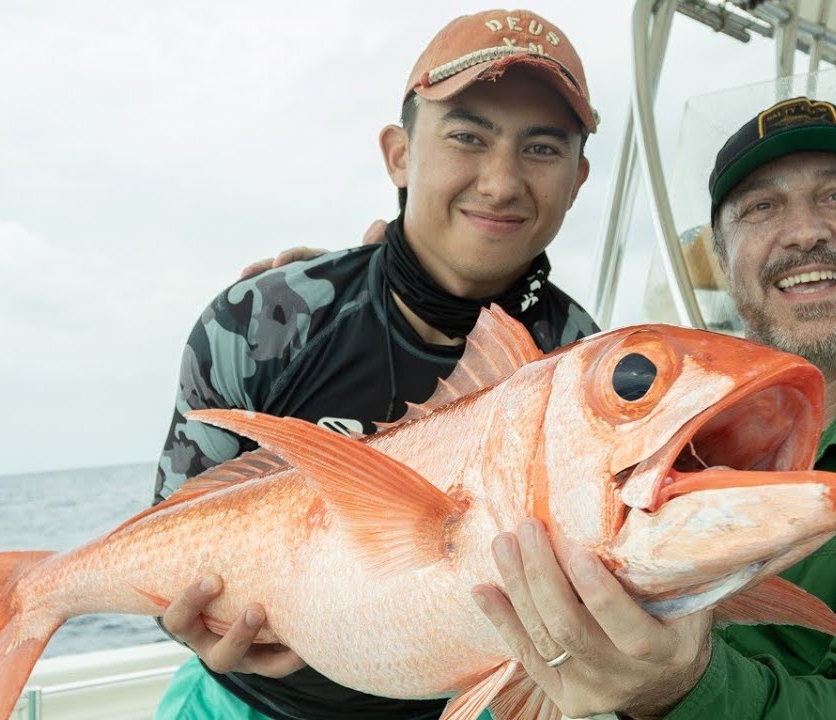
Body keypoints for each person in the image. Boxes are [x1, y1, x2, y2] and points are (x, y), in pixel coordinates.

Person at [472, 97, 836, 719]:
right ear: (724, 258)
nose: (805, 231)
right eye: (761, 207)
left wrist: (681, 689)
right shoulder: (654, 436)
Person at [150, 9, 599, 720]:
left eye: (541, 149)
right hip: (241, 705)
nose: (502, 181)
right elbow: (168, 534)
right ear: (398, 153)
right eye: (467, 136)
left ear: (578, 178)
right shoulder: (259, 321)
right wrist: (193, 622)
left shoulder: (584, 369)